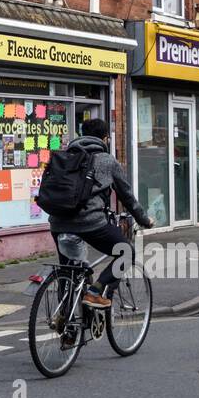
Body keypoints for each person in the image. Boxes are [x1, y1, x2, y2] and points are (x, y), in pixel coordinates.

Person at [49, 116, 155, 308]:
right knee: (126, 252)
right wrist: (144, 219)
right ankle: (95, 291)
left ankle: (64, 321)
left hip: (57, 222)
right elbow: (127, 196)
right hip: (90, 222)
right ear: (105, 138)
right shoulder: (107, 160)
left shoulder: (65, 156)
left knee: (68, 270)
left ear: (82, 135)